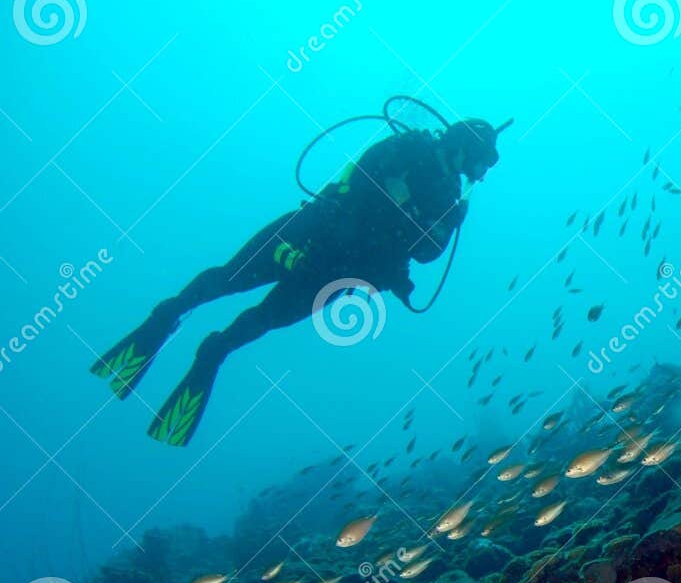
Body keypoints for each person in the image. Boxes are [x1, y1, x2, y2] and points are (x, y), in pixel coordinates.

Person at [91, 117, 503, 447]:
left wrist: (448, 221)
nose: (480, 174)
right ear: (463, 145)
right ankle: (166, 316)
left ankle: (212, 354)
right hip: (305, 238)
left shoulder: (450, 198)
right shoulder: (407, 148)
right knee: (228, 280)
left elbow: (425, 254)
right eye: (481, 161)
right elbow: (357, 183)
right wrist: (404, 207)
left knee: (264, 320)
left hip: (335, 276)